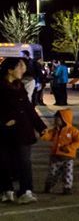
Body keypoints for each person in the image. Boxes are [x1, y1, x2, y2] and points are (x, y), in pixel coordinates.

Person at [0, 57, 47, 204]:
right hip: (4, 132)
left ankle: (26, 191)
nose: (23, 70)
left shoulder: (19, 86)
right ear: (10, 70)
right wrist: (2, 122)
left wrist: (41, 127)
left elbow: (28, 108)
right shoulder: (1, 87)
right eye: (20, 67)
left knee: (24, 161)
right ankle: (6, 190)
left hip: (22, 130)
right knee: (4, 161)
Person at [40, 109, 79, 195]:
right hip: (55, 157)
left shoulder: (73, 131)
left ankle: (67, 188)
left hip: (68, 157)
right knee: (52, 173)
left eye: (57, 119)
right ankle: (49, 185)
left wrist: (69, 148)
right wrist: (44, 134)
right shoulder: (55, 130)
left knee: (67, 174)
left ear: (64, 119)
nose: (55, 121)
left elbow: (78, 141)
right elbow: (48, 137)